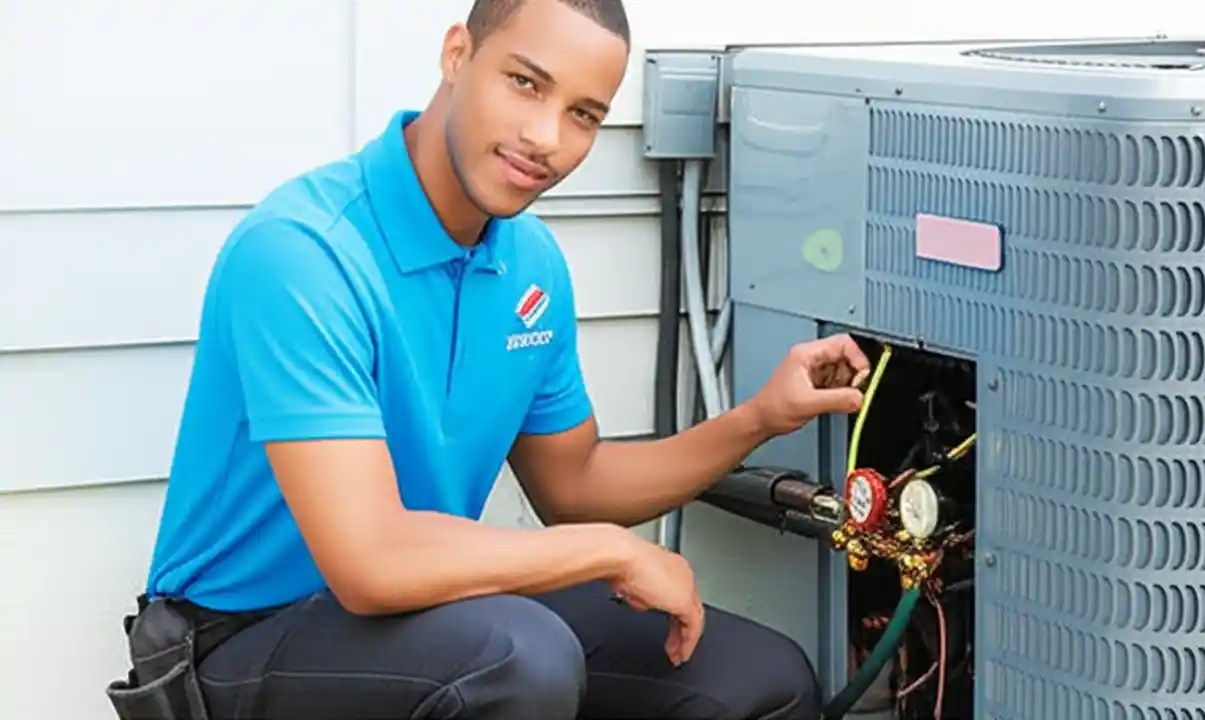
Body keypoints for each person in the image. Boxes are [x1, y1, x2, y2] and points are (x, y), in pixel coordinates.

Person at [107, 1, 871, 718]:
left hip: (432, 612)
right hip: (233, 644)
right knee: (515, 659)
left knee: (759, 682)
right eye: (524, 83)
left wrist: (760, 418)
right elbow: (367, 559)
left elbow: (575, 484)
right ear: (457, 53)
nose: (546, 137)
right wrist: (606, 552)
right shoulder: (303, 253)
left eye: (582, 115)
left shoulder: (529, 264)